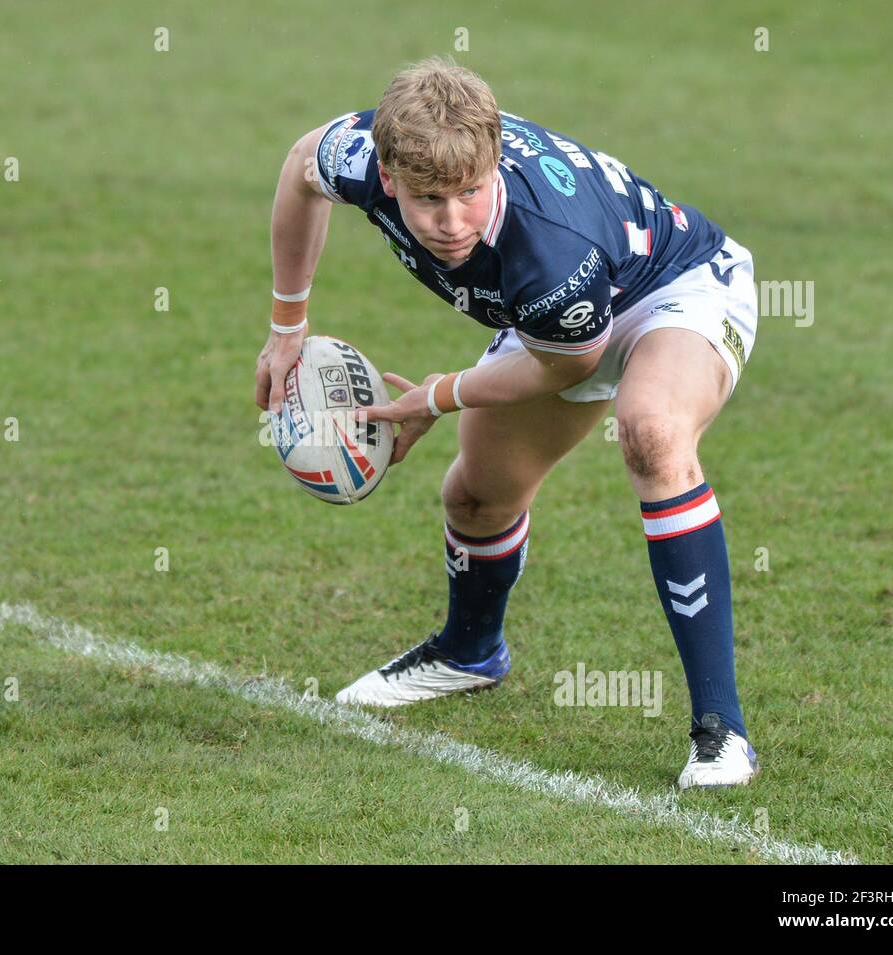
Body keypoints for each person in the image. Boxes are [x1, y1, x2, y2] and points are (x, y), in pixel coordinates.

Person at [254, 56, 759, 788]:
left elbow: (568, 365)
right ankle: (468, 652)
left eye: (470, 192)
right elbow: (303, 165)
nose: (452, 221)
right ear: (388, 178)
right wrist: (287, 325)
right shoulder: (359, 154)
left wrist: (434, 397)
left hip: (675, 288)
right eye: (429, 199)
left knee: (652, 431)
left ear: (494, 163)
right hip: (551, 322)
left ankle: (723, 731)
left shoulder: (549, 248)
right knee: (476, 496)